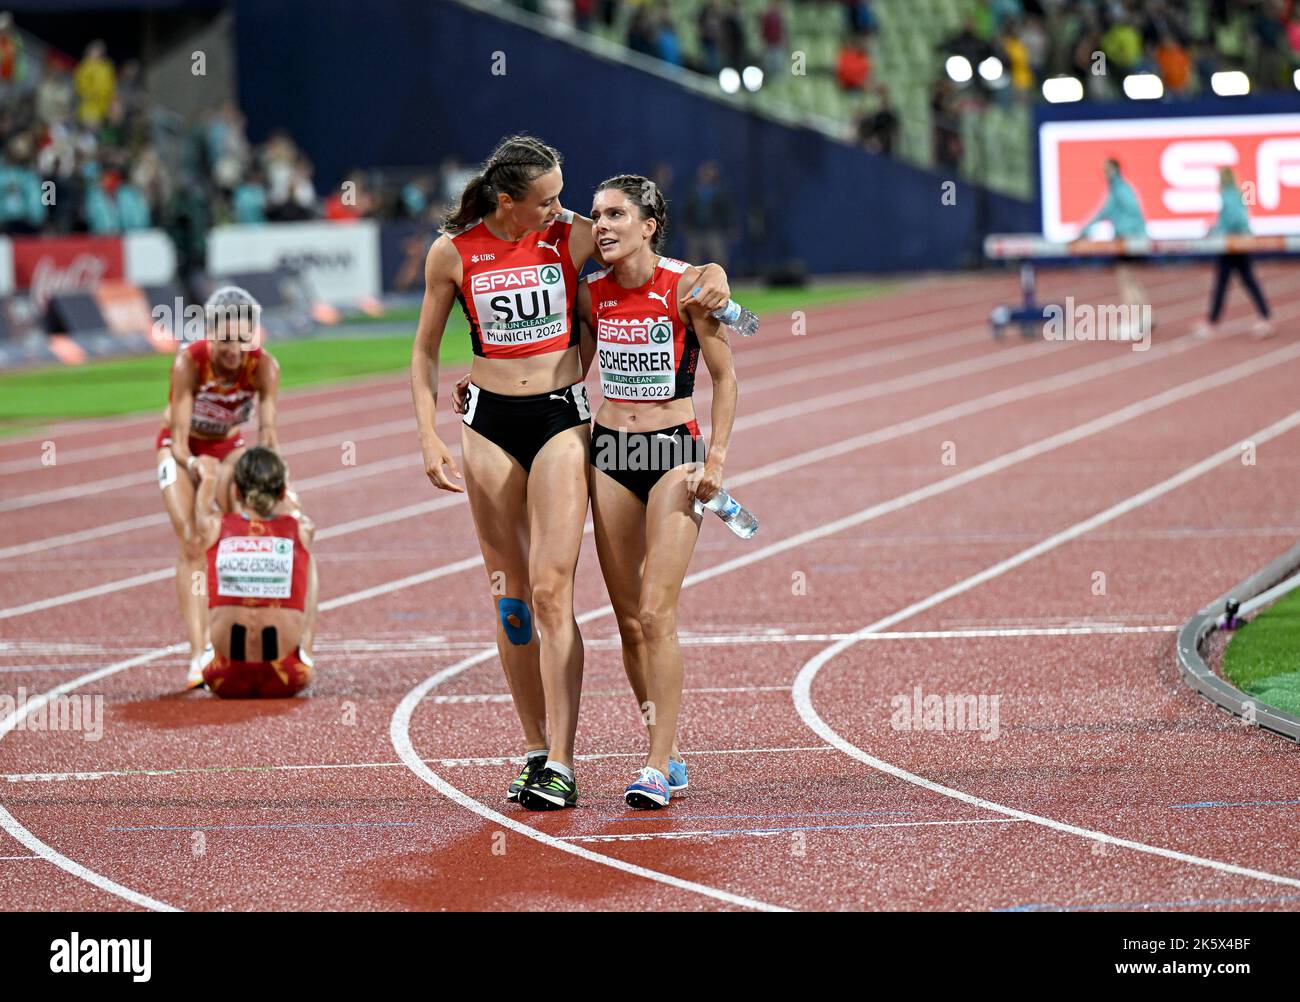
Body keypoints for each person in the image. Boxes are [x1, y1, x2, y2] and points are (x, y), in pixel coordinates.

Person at [411, 135, 729, 811]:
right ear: (508, 202)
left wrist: (714, 270)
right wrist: (428, 436)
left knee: (558, 591)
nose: (566, 210)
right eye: (549, 198)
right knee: (512, 599)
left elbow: (654, 250)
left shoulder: (576, 235)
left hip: (562, 419)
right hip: (487, 426)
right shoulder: (453, 254)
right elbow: (423, 353)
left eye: (567, 198)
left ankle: (565, 759)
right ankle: (534, 748)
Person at [581, 175, 738, 808]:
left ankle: (651, 766)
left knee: (655, 614)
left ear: (649, 225)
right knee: (625, 620)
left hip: (674, 454)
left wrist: (718, 459)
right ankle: (665, 749)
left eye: (617, 214)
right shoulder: (590, 292)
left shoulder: (688, 289)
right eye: (596, 216)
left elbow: (725, 380)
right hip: (611, 452)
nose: (603, 225)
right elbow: (566, 369)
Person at [155, 286, 282, 688]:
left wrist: (276, 481)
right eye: (225, 340)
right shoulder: (189, 362)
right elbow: (176, 438)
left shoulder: (264, 367)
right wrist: (195, 466)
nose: (234, 349)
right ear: (209, 336)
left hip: (229, 447)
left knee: (226, 538)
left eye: (243, 338)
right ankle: (198, 655)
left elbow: (267, 435)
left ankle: (236, 641)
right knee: (192, 540)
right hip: (180, 451)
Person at [192, 448, 317, 697]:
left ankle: (201, 652)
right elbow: (295, 509)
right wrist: (286, 483)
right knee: (307, 561)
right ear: (281, 491)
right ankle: (304, 652)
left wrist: (208, 478)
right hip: (287, 676)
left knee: (199, 565)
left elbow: (201, 511)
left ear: (237, 492)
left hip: (222, 677)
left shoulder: (214, 527)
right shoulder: (301, 529)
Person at [1073, 158, 1149, 338]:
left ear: (1114, 170)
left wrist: (1082, 231)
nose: (1105, 173)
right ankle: (1144, 317)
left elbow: (1121, 213)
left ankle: (1134, 321)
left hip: (1128, 239)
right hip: (1132, 238)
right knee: (1130, 278)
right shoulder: (1121, 189)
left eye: (1107, 169)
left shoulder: (1120, 191)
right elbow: (1105, 213)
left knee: (1124, 279)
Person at [1193, 166, 1273, 340]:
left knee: (1227, 283)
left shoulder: (1229, 195)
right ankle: (1264, 316)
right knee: (1245, 281)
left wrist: (1216, 232)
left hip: (1232, 247)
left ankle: (1213, 322)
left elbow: (1234, 220)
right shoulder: (1237, 193)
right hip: (1236, 245)